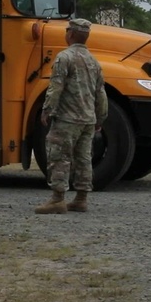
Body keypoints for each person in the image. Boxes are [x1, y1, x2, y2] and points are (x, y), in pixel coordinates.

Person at [35, 18, 108, 214]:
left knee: (59, 156)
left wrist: (47, 109)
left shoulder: (64, 58)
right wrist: (100, 118)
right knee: (84, 158)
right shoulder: (94, 61)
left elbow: (56, 87)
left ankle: (58, 199)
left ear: (71, 34)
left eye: (67, 31)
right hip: (88, 119)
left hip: (67, 118)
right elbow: (100, 92)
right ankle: (81, 198)